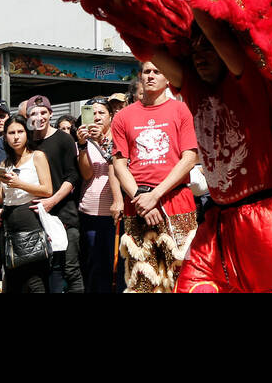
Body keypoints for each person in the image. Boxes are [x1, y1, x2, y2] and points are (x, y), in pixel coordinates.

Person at [148, 25, 272, 293]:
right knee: (192, 288)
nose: (199, 57)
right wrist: (111, 3)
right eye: (194, 51)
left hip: (265, 217)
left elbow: (219, 35)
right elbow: (150, 50)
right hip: (219, 222)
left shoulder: (248, 85)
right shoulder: (194, 89)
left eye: (207, 49)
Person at [111, 63, 200, 292]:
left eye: (157, 71)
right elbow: (119, 165)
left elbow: (189, 158)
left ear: (167, 77)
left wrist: (156, 195)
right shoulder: (123, 116)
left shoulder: (181, 111)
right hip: (138, 204)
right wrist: (142, 198)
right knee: (142, 278)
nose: (150, 76)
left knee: (181, 273)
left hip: (175, 200)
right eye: (146, 72)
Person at [24, 95, 84, 292]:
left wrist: (52, 201)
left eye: (43, 112)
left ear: (50, 114)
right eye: (33, 113)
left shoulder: (63, 139)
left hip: (64, 214)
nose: (39, 117)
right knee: (42, 272)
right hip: (34, 217)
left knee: (70, 269)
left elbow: (73, 176)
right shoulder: (25, 142)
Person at [0, 114, 54, 293]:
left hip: (30, 223)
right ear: (5, 136)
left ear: (27, 133)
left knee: (35, 282)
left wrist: (20, 184)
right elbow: (4, 198)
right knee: (13, 280)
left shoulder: (37, 156)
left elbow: (47, 190)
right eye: (11, 133)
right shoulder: (6, 163)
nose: (16, 136)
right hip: (9, 226)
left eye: (20, 131)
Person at [76, 97, 119, 292]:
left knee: (115, 268)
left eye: (102, 112)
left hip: (114, 214)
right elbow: (87, 174)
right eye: (92, 113)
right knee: (94, 268)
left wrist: (101, 140)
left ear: (111, 116)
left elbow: (118, 167)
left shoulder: (119, 138)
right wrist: (84, 145)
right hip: (89, 214)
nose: (97, 117)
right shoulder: (84, 141)